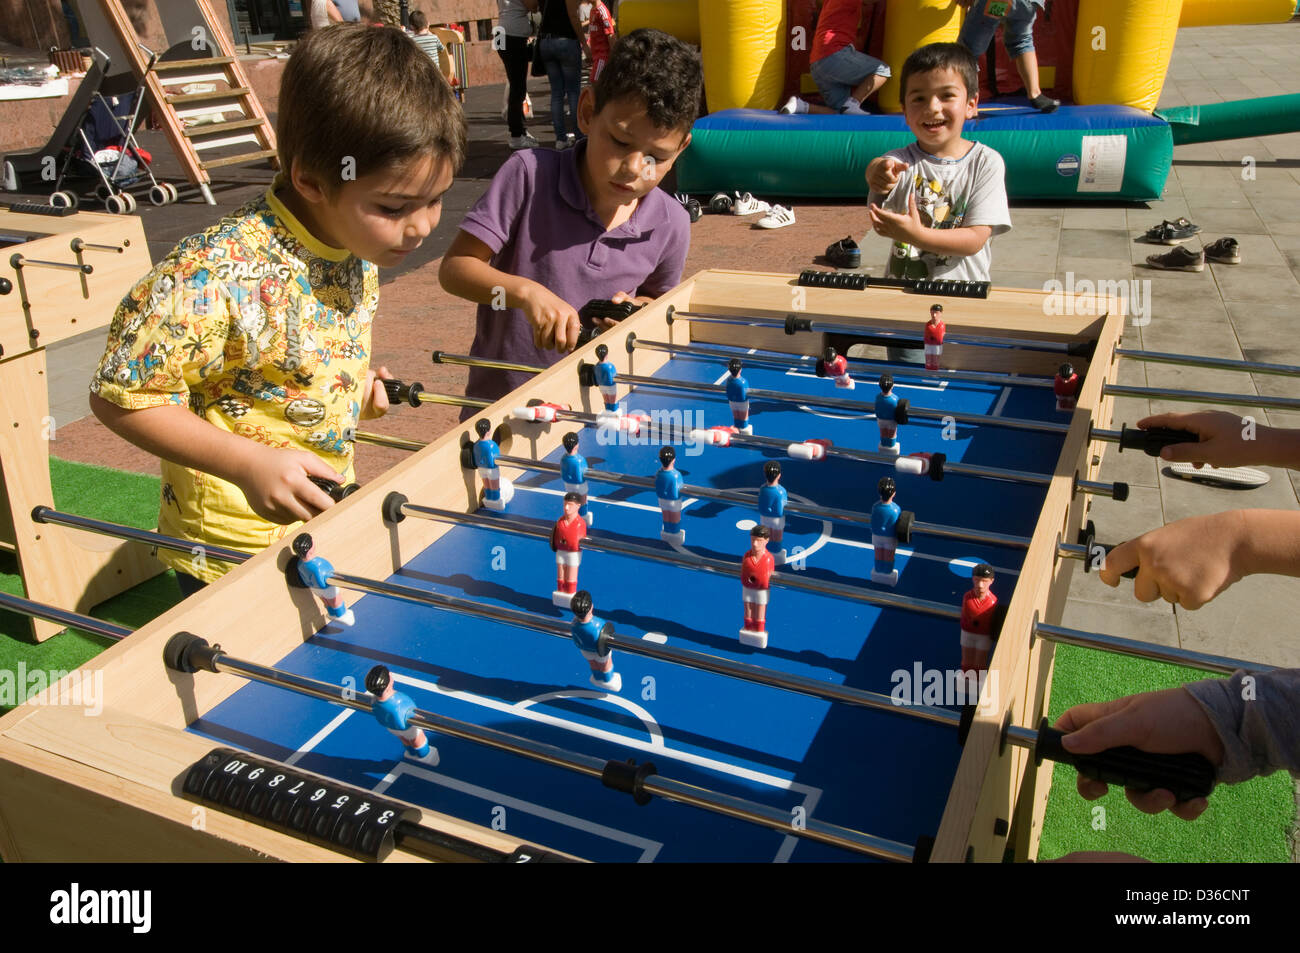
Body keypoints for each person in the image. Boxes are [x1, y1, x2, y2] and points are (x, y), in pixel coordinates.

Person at [89, 25, 465, 596]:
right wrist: (247, 464)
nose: (422, 227)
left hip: (315, 504)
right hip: (231, 537)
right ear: (312, 181)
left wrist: (345, 384)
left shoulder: (354, 239)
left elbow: (277, 361)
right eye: (395, 206)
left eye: (436, 199)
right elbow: (122, 394)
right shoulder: (210, 274)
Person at [439, 28, 700, 405]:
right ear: (588, 112)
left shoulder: (672, 222)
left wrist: (634, 313)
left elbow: (655, 305)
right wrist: (525, 294)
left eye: (656, 158)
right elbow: (455, 270)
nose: (632, 167)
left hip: (599, 410)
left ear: (681, 147)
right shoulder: (528, 175)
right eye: (621, 141)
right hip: (503, 409)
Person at [864, 42, 1010, 361]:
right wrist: (876, 172)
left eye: (946, 95)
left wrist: (915, 235)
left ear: (971, 105)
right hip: (907, 306)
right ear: (904, 110)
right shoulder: (901, 162)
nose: (932, 107)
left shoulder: (986, 162)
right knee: (911, 386)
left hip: (964, 305)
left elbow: (974, 240)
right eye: (919, 98)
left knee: (959, 391)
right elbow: (879, 168)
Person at [781, 0, 888, 116]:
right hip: (834, 55)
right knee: (882, 70)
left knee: (841, 114)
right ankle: (853, 102)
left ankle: (800, 105)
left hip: (817, 63)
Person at [956, 0, 1059, 113]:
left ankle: (971, 104)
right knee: (1022, 41)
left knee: (969, 49)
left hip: (1001, 2)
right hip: (1028, 5)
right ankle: (1035, 94)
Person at [536, 0, 587, 149]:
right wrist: (584, 42)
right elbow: (573, 15)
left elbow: (530, 5)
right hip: (565, 41)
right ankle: (579, 135)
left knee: (556, 92)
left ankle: (560, 138)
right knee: (573, 91)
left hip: (546, 42)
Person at [366, 665, 439, 764]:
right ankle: (424, 755)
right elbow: (409, 712)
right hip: (407, 727)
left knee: (404, 739)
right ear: (387, 684)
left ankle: (411, 752)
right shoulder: (398, 702)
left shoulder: (374, 701)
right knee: (418, 739)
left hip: (391, 727)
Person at [497, 0, 540, 150]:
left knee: (514, 82)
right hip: (513, 34)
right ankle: (516, 135)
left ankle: (520, 130)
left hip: (500, 32)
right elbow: (532, 5)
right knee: (518, 87)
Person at [292, 533, 354, 626]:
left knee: (326, 601)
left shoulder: (300, 564)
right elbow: (320, 578)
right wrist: (325, 584)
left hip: (314, 588)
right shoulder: (317, 565)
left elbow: (303, 577)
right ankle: (341, 614)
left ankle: (332, 613)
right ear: (309, 549)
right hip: (326, 587)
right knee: (336, 600)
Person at [569, 590, 622, 692]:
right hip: (599, 650)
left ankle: (597, 677)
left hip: (584, 650)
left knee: (592, 663)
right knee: (606, 664)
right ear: (591, 607)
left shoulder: (574, 623)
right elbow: (606, 633)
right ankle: (607, 679)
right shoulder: (598, 624)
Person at [740, 525, 775, 648]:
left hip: (761, 590)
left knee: (759, 610)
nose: (755, 544)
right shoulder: (747, 555)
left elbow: (767, 576)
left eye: (759, 541)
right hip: (747, 587)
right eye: (753, 540)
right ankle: (748, 628)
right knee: (748, 608)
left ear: (766, 540)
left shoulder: (768, 558)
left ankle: (759, 630)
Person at [550, 491, 588, 605]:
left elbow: (576, 541)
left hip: (573, 553)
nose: (566, 508)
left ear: (578, 506)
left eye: (570, 505)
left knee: (571, 574)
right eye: (565, 504)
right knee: (561, 574)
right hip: (561, 551)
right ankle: (561, 591)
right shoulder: (560, 521)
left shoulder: (580, 523)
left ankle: (570, 593)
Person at [958, 562, 997, 673]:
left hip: (984, 635)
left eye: (984, 581)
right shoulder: (967, 597)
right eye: (977, 580)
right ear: (973, 579)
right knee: (967, 659)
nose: (980, 585)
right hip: (968, 633)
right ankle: (966, 678)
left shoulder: (993, 601)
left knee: (980, 660)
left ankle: (978, 680)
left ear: (991, 581)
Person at [869, 476, 900, 586]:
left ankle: (878, 570)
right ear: (894, 493)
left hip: (876, 536)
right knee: (889, 556)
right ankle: (887, 572)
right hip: (890, 537)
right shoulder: (896, 509)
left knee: (878, 554)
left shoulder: (875, 507)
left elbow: (873, 522)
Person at [560, 431, 593, 526]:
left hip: (568, 484)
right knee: (583, 500)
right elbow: (584, 471)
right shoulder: (580, 459)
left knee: (571, 500)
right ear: (576, 446)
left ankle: (571, 515)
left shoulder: (563, 458)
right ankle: (583, 516)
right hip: (580, 484)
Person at [757, 460, 787, 564]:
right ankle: (777, 554)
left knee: (767, 535)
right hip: (777, 519)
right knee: (777, 537)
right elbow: (780, 510)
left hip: (764, 518)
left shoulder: (762, 488)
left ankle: (768, 553)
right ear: (779, 475)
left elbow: (761, 505)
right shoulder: (781, 491)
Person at [655, 445, 685, 543]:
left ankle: (667, 531)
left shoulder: (659, 473)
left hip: (662, 499)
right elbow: (678, 488)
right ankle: (674, 532)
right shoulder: (676, 475)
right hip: (673, 500)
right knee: (674, 517)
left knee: (666, 515)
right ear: (673, 460)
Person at [586, 0, 615, 85]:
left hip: (602, 56)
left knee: (595, 82)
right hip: (596, 56)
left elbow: (610, 35)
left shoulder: (602, 11)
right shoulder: (593, 9)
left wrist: (614, 56)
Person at [725, 358, 751, 433]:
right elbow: (746, 394)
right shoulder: (743, 382)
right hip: (742, 403)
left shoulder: (728, 380)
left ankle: (737, 428)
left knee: (736, 417)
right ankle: (743, 433)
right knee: (744, 420)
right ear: (740, 370)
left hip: (732, 402)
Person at [923, 302, 945, 370]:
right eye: (933, 313)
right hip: (928, 345)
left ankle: (935, 373)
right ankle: (928, 372)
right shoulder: (928, 324)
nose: (934, 315)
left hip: (937, 345)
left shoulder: (942, 325)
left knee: (936, 360)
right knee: (928, 360)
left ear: (940, 313)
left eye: (937, 313)